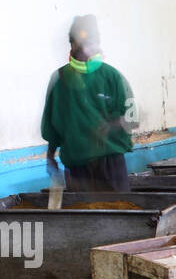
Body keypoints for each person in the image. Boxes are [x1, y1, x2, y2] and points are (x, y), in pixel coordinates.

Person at [41, 15, 137, 191]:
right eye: (82, 42)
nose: (88, 48)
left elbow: (131, 118)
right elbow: (51, 127)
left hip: (111, 165)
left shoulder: (112, 77)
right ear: (72, 45)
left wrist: (112, 125)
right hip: (77, 169)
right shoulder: (59, 81)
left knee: (118, 213)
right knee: (85, 215)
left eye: (92, 41)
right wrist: (50, 158)